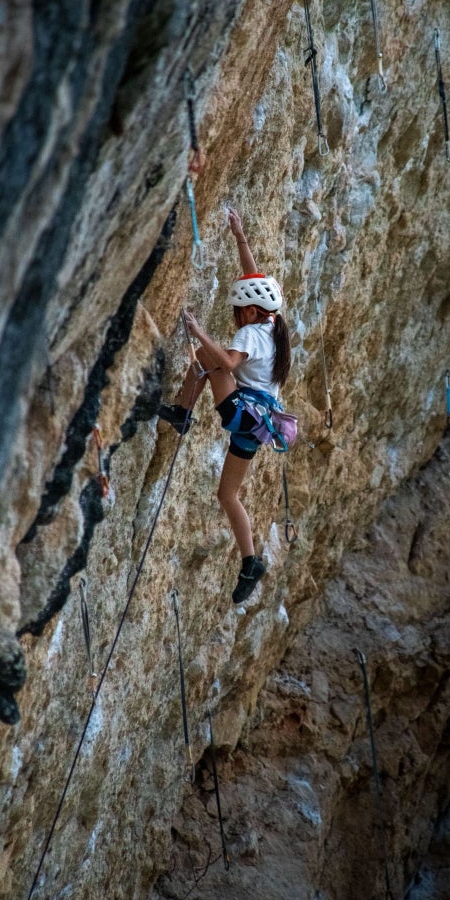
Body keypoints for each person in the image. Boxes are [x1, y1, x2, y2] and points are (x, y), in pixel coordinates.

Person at [158, 208, 291, 604]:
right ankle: (250, 561)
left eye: (238, 311)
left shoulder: (251, 333)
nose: (236, 317)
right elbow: (255, 282)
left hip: (244, 413)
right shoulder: (271, 326)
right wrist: (239, 236)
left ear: (249, 312)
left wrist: (199, 332)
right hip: (257, 426)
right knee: (227, 495)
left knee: (206, 357)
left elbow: (229, 364)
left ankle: (181, 412)